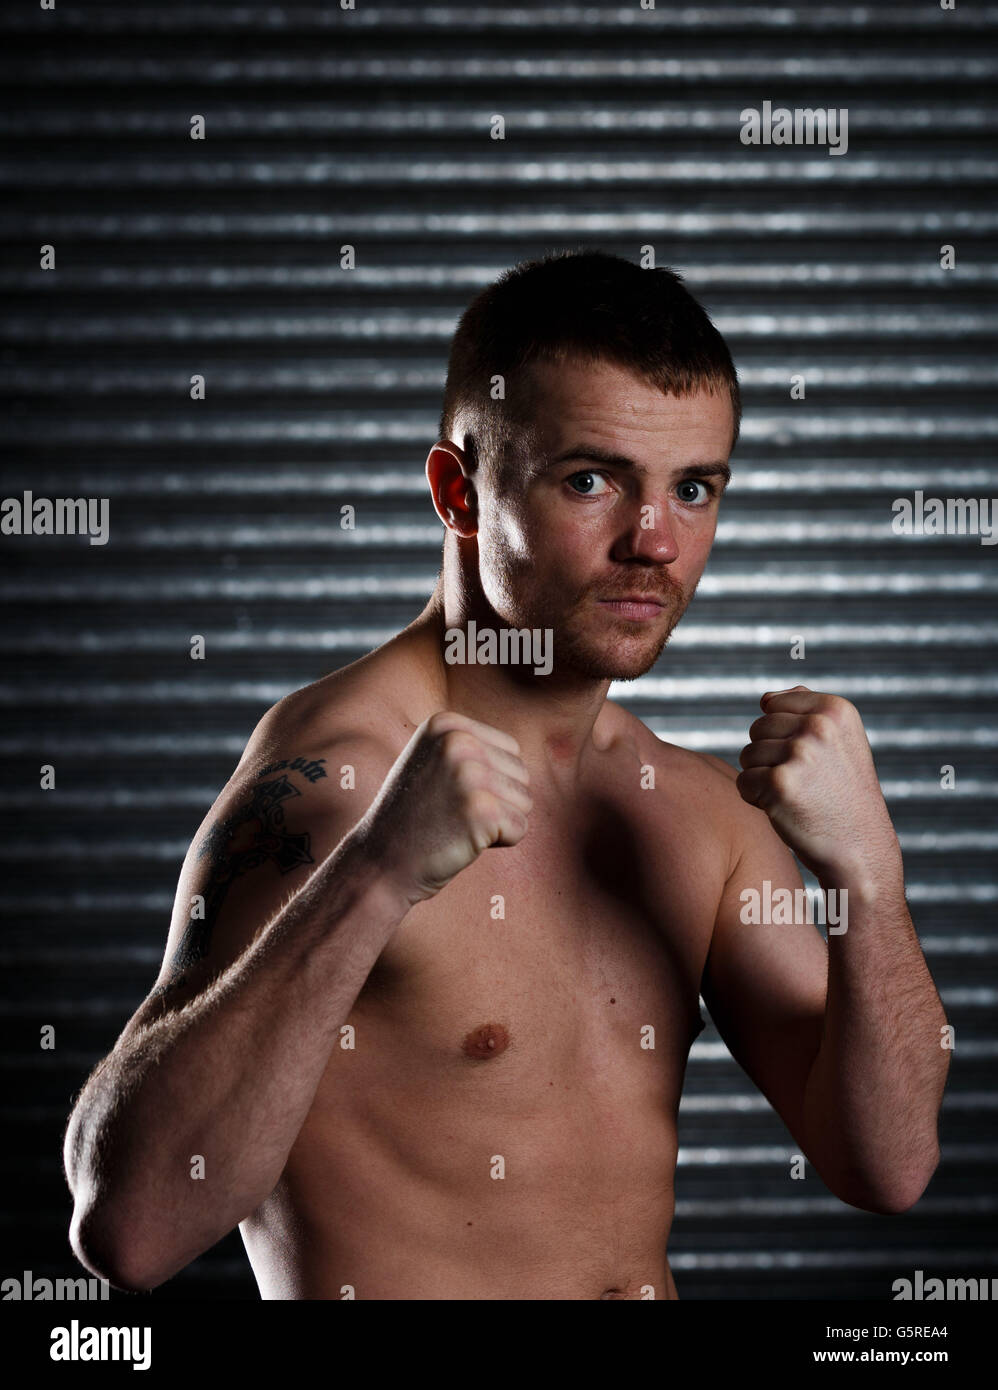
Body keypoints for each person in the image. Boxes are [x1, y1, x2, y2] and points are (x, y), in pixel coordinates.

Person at [62, 250, 949, 1300]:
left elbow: (883, 1164)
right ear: (457, 492)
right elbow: (131, 1227)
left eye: (692, 488)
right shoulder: (337, 787)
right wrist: (375, 875)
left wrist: (868, 877)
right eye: (589, 479)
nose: (654, 542)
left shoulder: (696, 814)